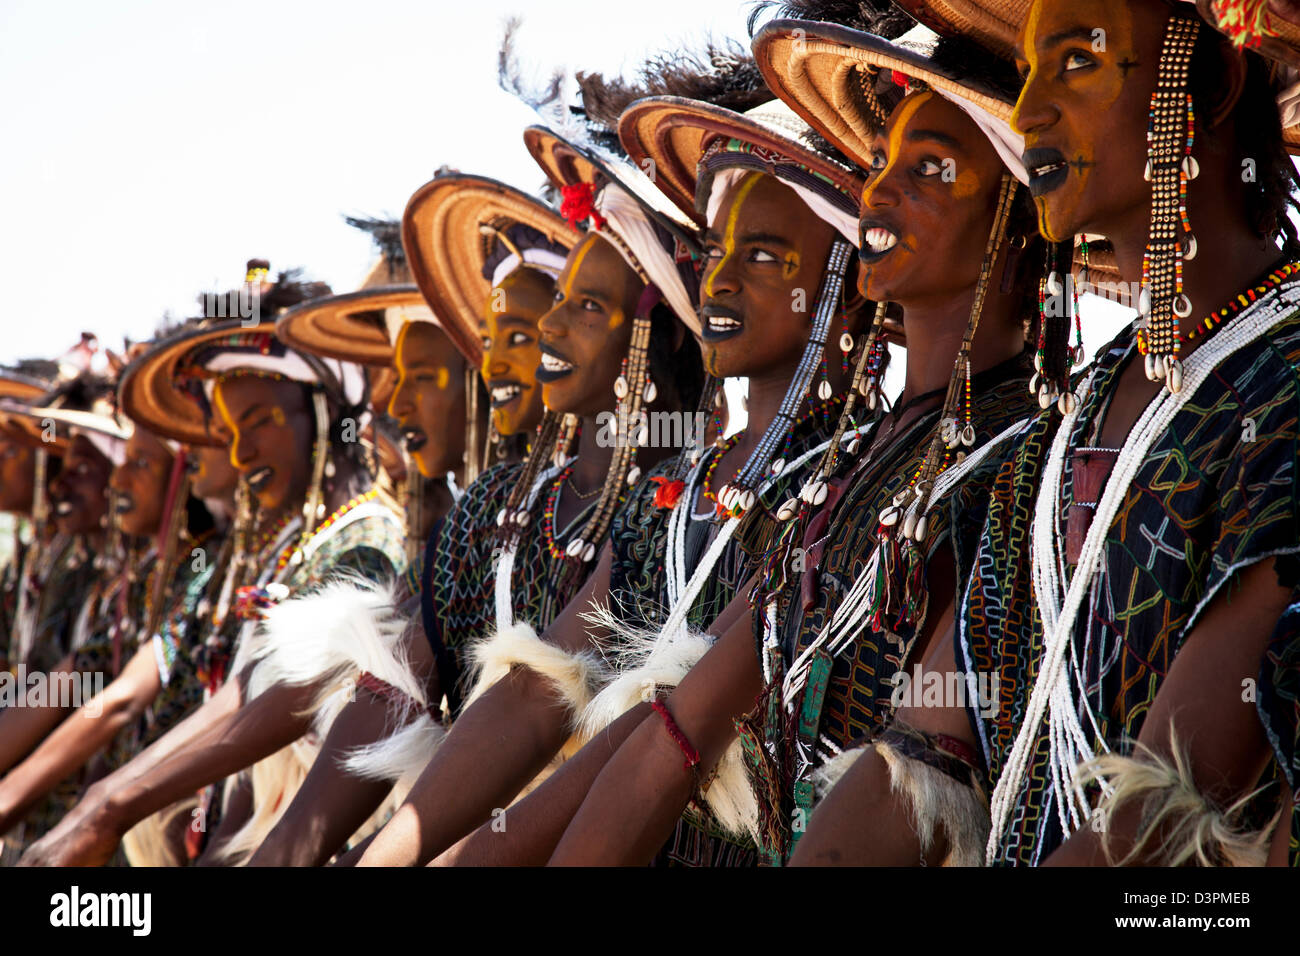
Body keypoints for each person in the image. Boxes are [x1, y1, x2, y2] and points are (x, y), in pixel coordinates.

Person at [537, 10, 1046, 866]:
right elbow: (677, 733)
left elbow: (919, 773)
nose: (878, 195)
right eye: (880, 165)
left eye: (929, 169)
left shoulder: (1022, 463)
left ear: (1022, 219)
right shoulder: (845, 477)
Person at [800, 0, 1300, 867]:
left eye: (1074, 62)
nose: (1027, 110)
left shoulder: (1286, 379)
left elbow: (1171, 810)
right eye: (1028, 72)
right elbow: (930, 742)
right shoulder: (1067, 423)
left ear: (1209, 83)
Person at [355, 50, 874, 866]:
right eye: (719, 254)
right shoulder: (675, 491)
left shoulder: (850, 490)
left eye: (767, 258)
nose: (723, 281)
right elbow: (538, 689)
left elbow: (667, 727)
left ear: (849, 286)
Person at [20, 264, 406, 867]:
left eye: (257, 423)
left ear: (325, 421)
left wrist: (107, 807)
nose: (238, 450)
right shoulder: (269, 551)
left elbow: (278, 712)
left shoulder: (368, 546)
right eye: (227, 430)